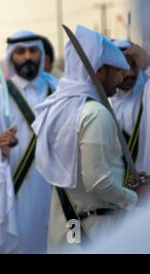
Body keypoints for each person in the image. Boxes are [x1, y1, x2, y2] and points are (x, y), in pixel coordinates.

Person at [32, 25, 142, 253]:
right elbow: (97, 181)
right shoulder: (95, 113)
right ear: (99, 72)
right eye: (117, 70)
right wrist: (135, 198)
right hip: (95, 227)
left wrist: (123, 180)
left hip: (69, 223)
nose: (122, 76)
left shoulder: (60, 107)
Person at [0, 30, 58, 253]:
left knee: (64, 243)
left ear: (42, 54)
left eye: (33, 50)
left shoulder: (60, 90)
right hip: (18, 189)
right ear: (11, 57)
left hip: (58, 188)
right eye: (20, 52)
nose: (27, 57)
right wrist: (0, 146)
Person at [110, 40, 150, 174]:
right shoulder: (104, 103)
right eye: (122, 68)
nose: (130, 74)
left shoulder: (146, 96)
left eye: (134, 65)